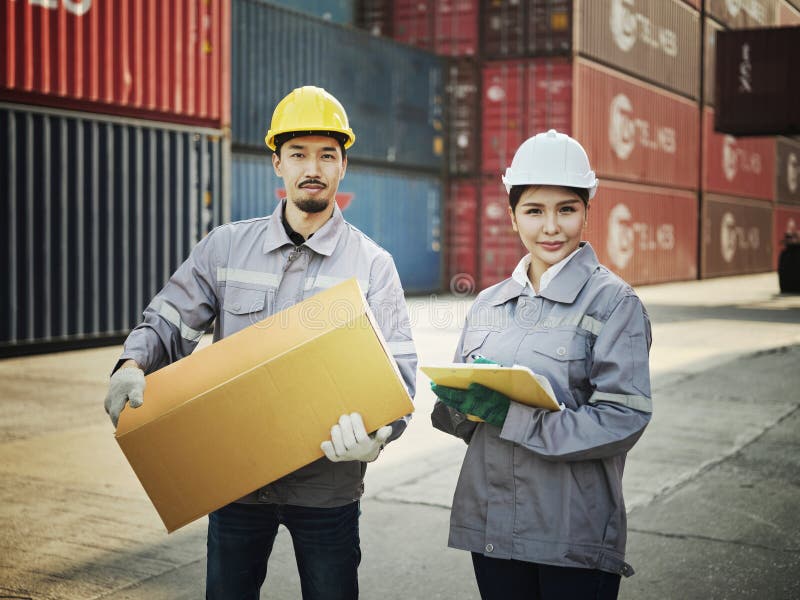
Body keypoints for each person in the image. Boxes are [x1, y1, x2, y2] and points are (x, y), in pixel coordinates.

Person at [103, 86, 417, 600]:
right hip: (236, 485)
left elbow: (399, 371)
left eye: (326, 155)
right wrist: (132, 362)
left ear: (343, 167)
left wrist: (380, 434)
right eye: (298, 154)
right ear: (277, 163)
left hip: (327, 490)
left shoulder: (371, 265)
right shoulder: (226, 247)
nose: (311, 167)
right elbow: (170, 317)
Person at [430, 129, 652, 600]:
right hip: (492, 524)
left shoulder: (614, 303)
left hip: (570, 532)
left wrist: (511, 415)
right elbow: (467, 421)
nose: (551, 227)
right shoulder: (489, 303)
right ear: (512, 218)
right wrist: (454, 405)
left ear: (586, 214)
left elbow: (623, 418)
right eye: (534, 210)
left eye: (566, 210)